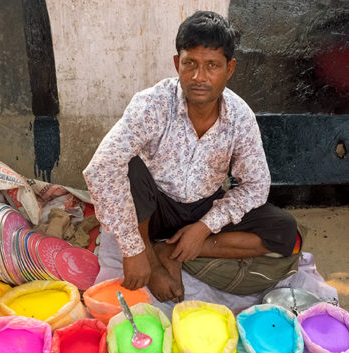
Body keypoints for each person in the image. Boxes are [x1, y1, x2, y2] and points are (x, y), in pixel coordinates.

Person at [83, 10, 298, 302]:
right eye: (190, 64)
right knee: (128, 167)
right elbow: (101, 167)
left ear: (229, 68)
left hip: (203, 208)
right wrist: (133, 250)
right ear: (177, 63)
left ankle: (172, 251)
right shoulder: (152, 104)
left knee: (283, 230)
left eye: (212, 66)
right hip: (153, 211)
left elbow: (256, 185)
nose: (199, 77)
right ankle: (149, 252)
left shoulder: (240, 117)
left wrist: (204, 226)